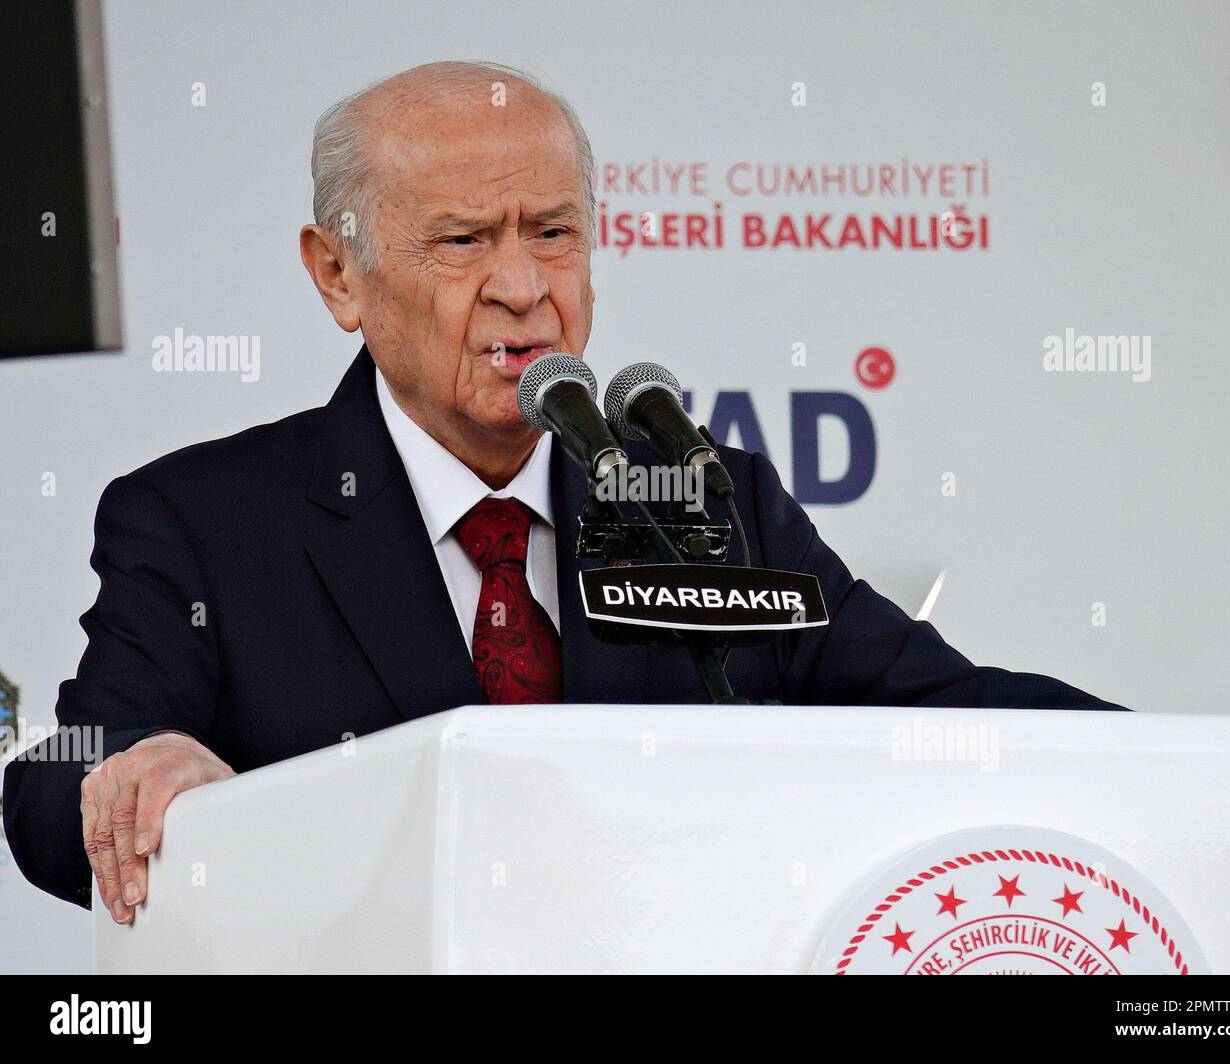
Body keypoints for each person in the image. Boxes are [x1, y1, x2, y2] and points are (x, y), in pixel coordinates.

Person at [2, 61, 1125, 923]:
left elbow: (946, 705)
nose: (524, 286)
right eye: (461, 239)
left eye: (554, 232)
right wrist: (133, 768)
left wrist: (1197, 766)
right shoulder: (204, 521)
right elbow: (56, 788)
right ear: (338, 274)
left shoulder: (700, 499)